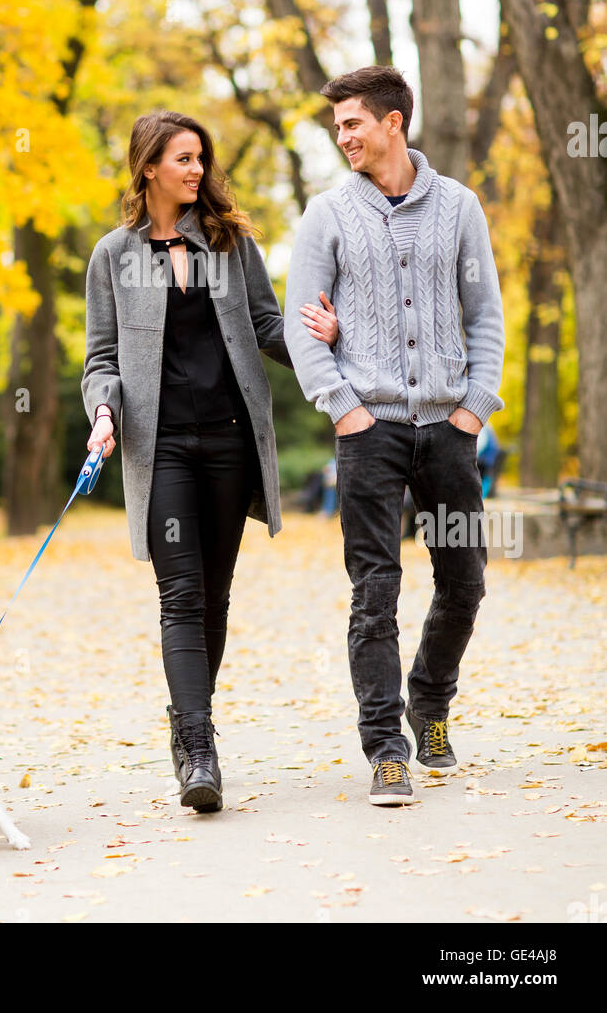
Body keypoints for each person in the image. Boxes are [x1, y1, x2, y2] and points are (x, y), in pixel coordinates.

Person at [81, 110, 329, 813]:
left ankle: (187, 724)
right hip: (158, 447)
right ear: (149, 167)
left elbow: (267, 325)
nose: (196, 170)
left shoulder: (230, 242)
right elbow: (101, 359)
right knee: (180, 595)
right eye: (182, 159)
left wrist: (324, 348)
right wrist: (103, 411)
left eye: (200, 159)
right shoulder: (113, 256)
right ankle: (198, 746)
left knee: (214, 598)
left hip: (228, 441)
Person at [284, 66, 505, 806]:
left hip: (448, 429)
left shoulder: (459, 207)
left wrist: (473, 407)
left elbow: (486, 314)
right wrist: (343, 406)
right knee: (374, 592)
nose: (343, 136)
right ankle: (385, 748)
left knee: (465, 583)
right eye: (338, 125)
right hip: (367, 432)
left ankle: (430, 704)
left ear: (393, 123)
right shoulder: (327, 215)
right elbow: (300, 327)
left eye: (353, 123)